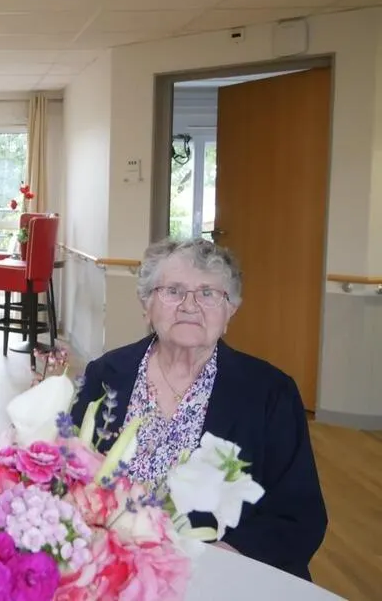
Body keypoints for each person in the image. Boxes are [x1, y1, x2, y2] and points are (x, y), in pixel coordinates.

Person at [70, 238, 327, 582]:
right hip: (113, 569)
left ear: (230, 309)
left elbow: (299, 515)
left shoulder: (271, 392)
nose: (190, 306)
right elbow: (67, 476)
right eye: (173, 291)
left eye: (208, 293)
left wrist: (223, 558)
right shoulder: (105, 374)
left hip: (223, 577)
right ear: (147, 304)